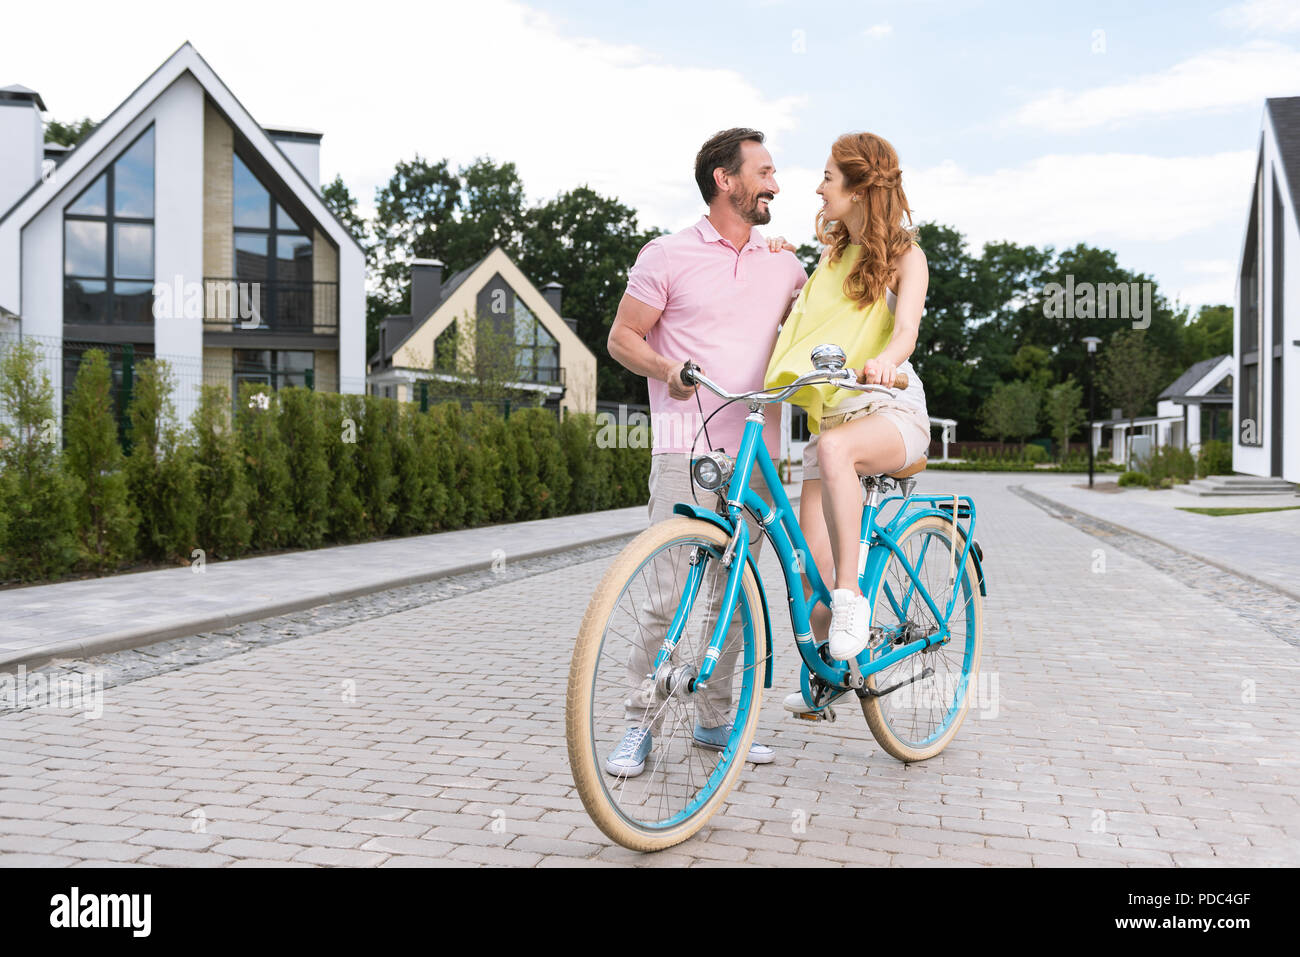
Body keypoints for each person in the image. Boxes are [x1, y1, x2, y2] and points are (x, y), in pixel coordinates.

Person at [604, 128, 808, 776]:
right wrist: (666, 369)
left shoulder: (786, 264)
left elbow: (817, 326)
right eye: (766, 170)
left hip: (756, 455)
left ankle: (716, 723)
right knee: (666, 596)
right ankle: (639, 725)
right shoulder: (665, 254)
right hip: (683, 450)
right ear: (726, 179)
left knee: (733, 600)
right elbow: (621, 336)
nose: (776, 182)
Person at [763, 132, 931, 713]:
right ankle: (841, 669)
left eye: (829, 177)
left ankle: (855, 598)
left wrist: (889, 360)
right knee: (811, 581)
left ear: (860, 188)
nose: (817, 187)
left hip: (889, 410)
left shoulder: (908, 257)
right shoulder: (831, 258)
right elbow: (808, 325)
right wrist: (780, 262)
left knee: (835, 452)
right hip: (833, 423)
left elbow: (905, 329)